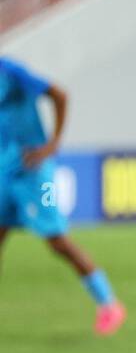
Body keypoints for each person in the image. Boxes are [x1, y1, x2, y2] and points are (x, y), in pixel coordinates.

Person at [0, 56, 126, 335]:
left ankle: (109, 304)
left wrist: (52, 144)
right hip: (3, 172)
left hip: (35, 172)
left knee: (57, 241)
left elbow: (60, 95)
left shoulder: (11, 71)